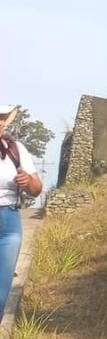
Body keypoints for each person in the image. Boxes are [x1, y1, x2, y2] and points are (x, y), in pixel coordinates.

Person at [0, 104, 43, 317]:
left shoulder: (16, 150)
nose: (0, 121)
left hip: (9, 221)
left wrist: (27, 182)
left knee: (2, 292)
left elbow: (36, 190)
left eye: (2, 117)